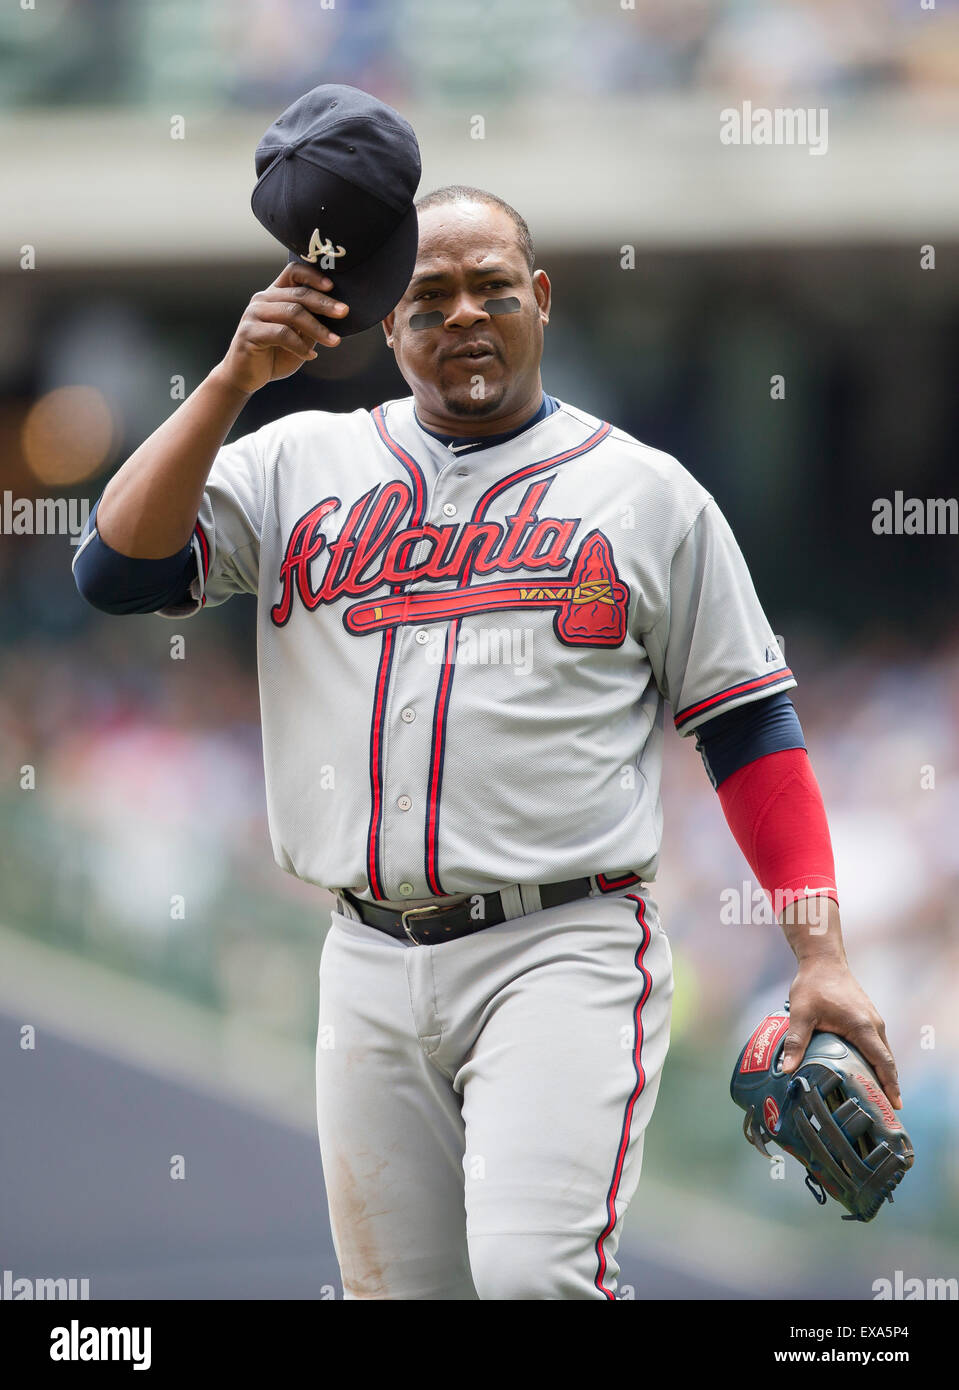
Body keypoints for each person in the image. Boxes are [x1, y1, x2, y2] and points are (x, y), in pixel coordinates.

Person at [73, 185, 901, 1301]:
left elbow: (748, 722)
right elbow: (116, 572)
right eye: (428, 296)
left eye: (491, 289)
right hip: (364, 952)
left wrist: (818, 951)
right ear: (384, 322)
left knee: (531, 1278)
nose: (463, 315)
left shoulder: (646, 495)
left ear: (540, 300)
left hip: (560, 940)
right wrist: (229, 383)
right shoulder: (295, 463)